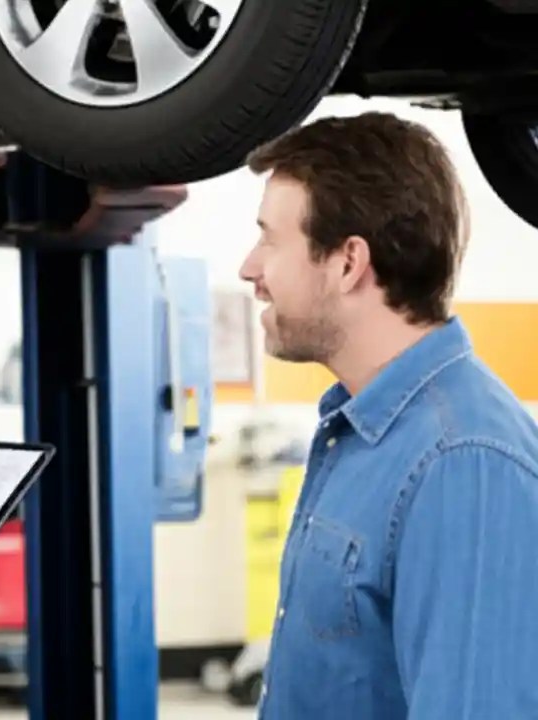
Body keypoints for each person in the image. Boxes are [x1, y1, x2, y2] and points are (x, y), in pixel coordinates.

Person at [238, 110, 538, 719]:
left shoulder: (463, 462)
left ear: (349, 262)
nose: (250, 267)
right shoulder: (361, 431)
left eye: (270, 238)